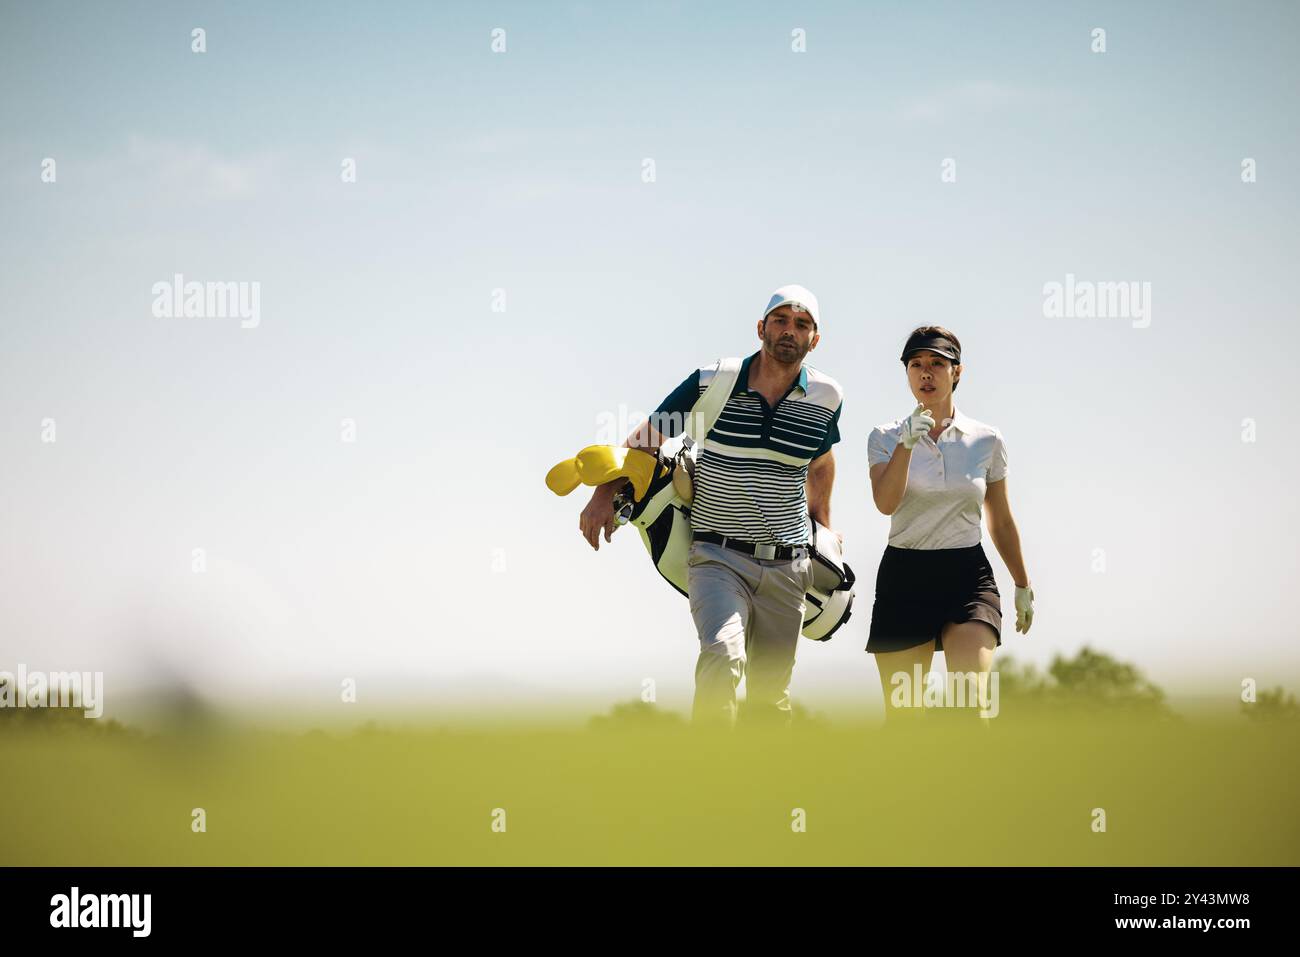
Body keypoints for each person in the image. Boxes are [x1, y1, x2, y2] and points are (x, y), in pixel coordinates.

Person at [580, 285, 844, 728]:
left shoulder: (827, 396)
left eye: (802, 325)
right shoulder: (712, 381)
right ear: (761, 328)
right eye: (780, 320)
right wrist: (602, 495)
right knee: (722, 658)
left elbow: (821, 460)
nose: (789, 331)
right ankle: (709, 778)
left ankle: (760, 791)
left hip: (790, 564)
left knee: (770, 696)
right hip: (717, 556)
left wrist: (824, 525)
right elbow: (645, 440)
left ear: (814, 339)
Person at [866, 326, 1033, 723]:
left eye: (937, 364)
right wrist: (906, 447)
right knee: (905, 720)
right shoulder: (884, 437)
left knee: (971, 702)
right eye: (916, 365)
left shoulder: (986, 440)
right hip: (904, 576)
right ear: (907, 373)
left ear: (957, 372)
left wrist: (1022, 584)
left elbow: (1001, 519)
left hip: (966, 575)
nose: (926, 373)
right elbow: (885, 503)